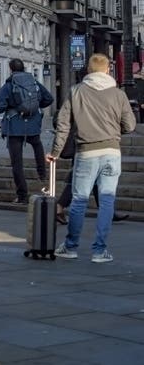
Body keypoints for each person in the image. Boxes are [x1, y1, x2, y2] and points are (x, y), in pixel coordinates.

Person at [47, 53, 136, 263]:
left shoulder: (75, 91)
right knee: (107, 200)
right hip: (112, 152)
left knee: (79, 200)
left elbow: (63, 125)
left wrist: (55, 153)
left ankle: (70, 246)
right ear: (107, 70)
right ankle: (99, 251)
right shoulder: (118, 94)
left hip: (86, 152)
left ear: (88, 70)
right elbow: (130, 125)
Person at [0, 58, 53, 204]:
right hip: (33, 124)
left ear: (11, 69)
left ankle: (22, 194)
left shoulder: (9, 84)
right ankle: (42, 174)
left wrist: (12, 106)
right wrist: (34, 108)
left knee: (17, 162)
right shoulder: (33, 82)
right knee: (37, 144)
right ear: (24, 68)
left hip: (14, 126)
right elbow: (49, 98)